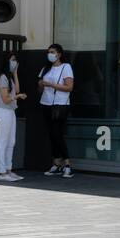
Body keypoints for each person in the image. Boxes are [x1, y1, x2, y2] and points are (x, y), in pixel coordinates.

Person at [38, 43, 75, 178]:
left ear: (59, 54)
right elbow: (40, 89)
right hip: (46, 103)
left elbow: (69, 87)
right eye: (49, 52)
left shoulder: (66, 67)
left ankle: (67, 164)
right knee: (52, 135)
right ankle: (56, 162)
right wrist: (41, 85)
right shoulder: (45, 68)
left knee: (57, 134)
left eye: (52, 52)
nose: (50, 54)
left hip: (60, 104)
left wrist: (51, 84)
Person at [0, 54, 25, 181]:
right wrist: (17, 97)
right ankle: (2, 173)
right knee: (3, 141)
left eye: (15, 60)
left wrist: (15, 73)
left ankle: (8, 170)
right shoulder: (2, 78)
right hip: (3, 110)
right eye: (12, 60)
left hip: (10, 110)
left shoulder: (8, 77)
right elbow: (6, 99)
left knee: (11, 141)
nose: (15, 62)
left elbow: (17, 89)